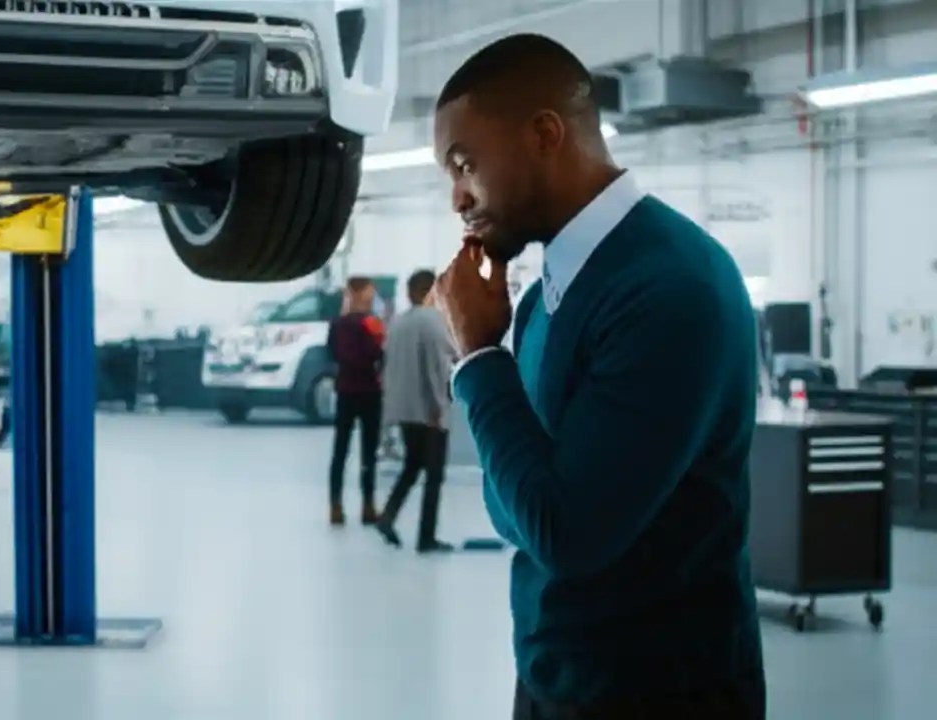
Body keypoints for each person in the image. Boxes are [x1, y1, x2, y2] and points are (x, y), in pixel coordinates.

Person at [429, 34, 765, 718]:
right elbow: (512, 504)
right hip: (557, 674)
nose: (458, 198)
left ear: (545, 134)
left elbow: (564, 533)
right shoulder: (541, 298)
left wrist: (477, 357)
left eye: (464, 165)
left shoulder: (669, 286)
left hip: (659, 693)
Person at [376, 270, 458, 553]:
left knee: (412, 467)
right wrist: (437, 406)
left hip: (404, 410)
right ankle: (426, 538)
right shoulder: (433, 321)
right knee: (433, 476)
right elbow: (438, 365)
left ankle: (387, 515)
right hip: (428, 411)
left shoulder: (398, 323)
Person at [326, 276, 385, 526]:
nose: (372, 297)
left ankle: (336, 506)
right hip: (369, 391)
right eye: (370, 293)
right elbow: (378, 353)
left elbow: (331, 352)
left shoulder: (337, 324)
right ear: (361, 294)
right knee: (368, 452)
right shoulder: (371, 324)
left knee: (340, 450)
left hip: (345, 390)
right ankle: (368, 506)